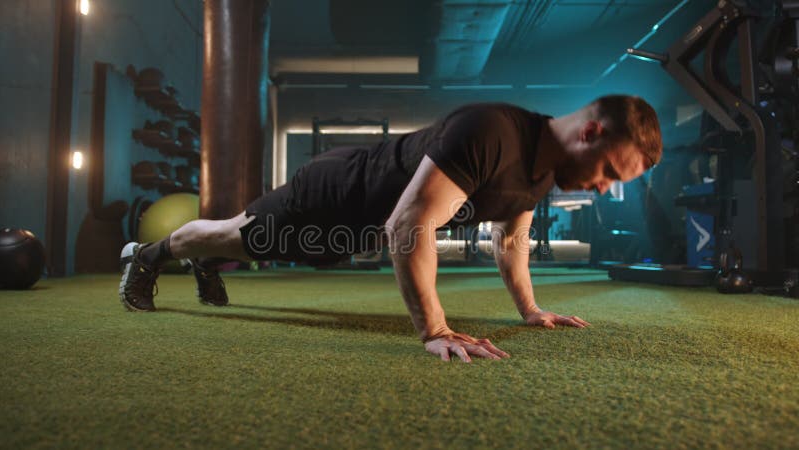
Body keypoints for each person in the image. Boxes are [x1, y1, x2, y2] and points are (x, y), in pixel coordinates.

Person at [119, 94, 662, 363]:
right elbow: (410, 222)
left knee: (276, 250)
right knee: (235, 235)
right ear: (590, 130)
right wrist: (436, 330)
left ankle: (202, 261)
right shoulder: (492, 132)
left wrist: (530, 310)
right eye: (610, 172)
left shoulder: (544, 171)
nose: (604, 189)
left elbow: (511, 239)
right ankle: (150, 255)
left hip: (358, 229)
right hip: (333, 195)